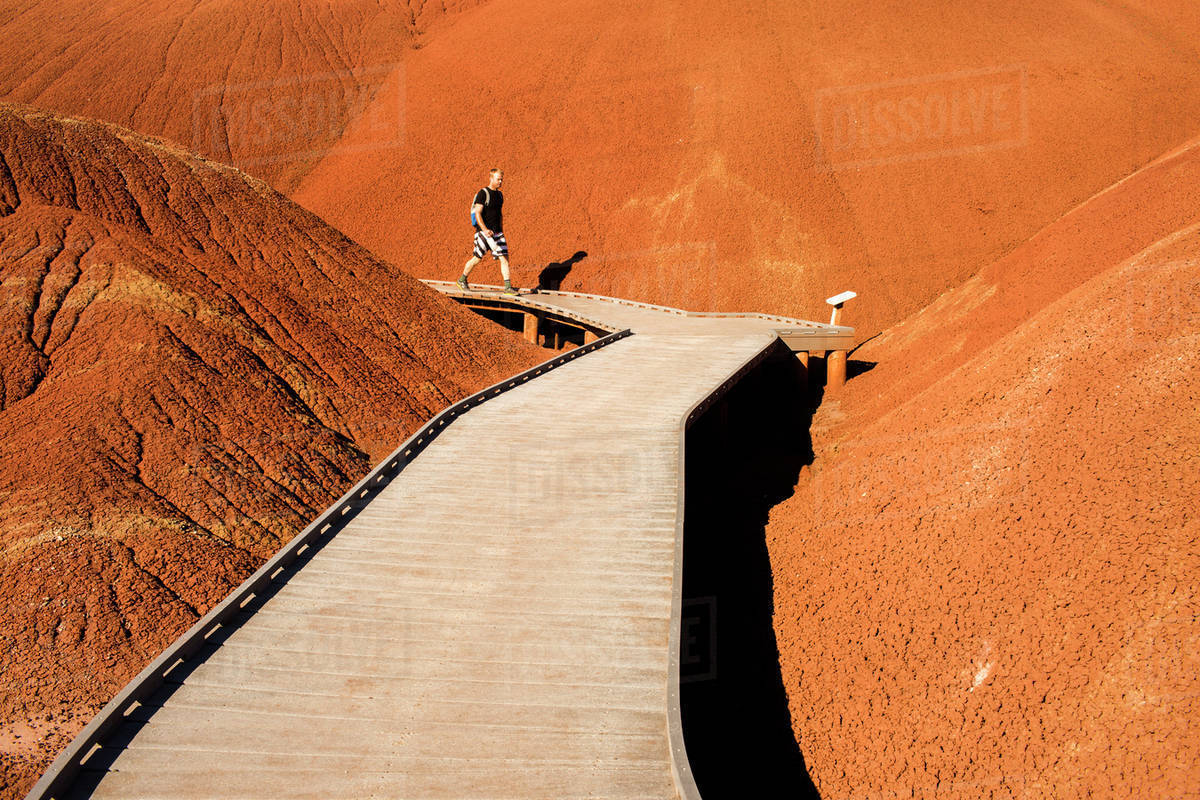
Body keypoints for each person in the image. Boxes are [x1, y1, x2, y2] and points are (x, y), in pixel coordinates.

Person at [457, 168, 518, 295]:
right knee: (477, 258)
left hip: (497, 233)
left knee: (504, 258)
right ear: (491, 178)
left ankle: (508, 287)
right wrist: (485, 230)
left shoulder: (500, 195)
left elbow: (499, 214)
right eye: (498, 179)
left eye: (501, 179)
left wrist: (501, 230)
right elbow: (478, 213)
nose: (500, 182)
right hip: (483, 233)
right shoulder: (483, 193)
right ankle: (462, 280)